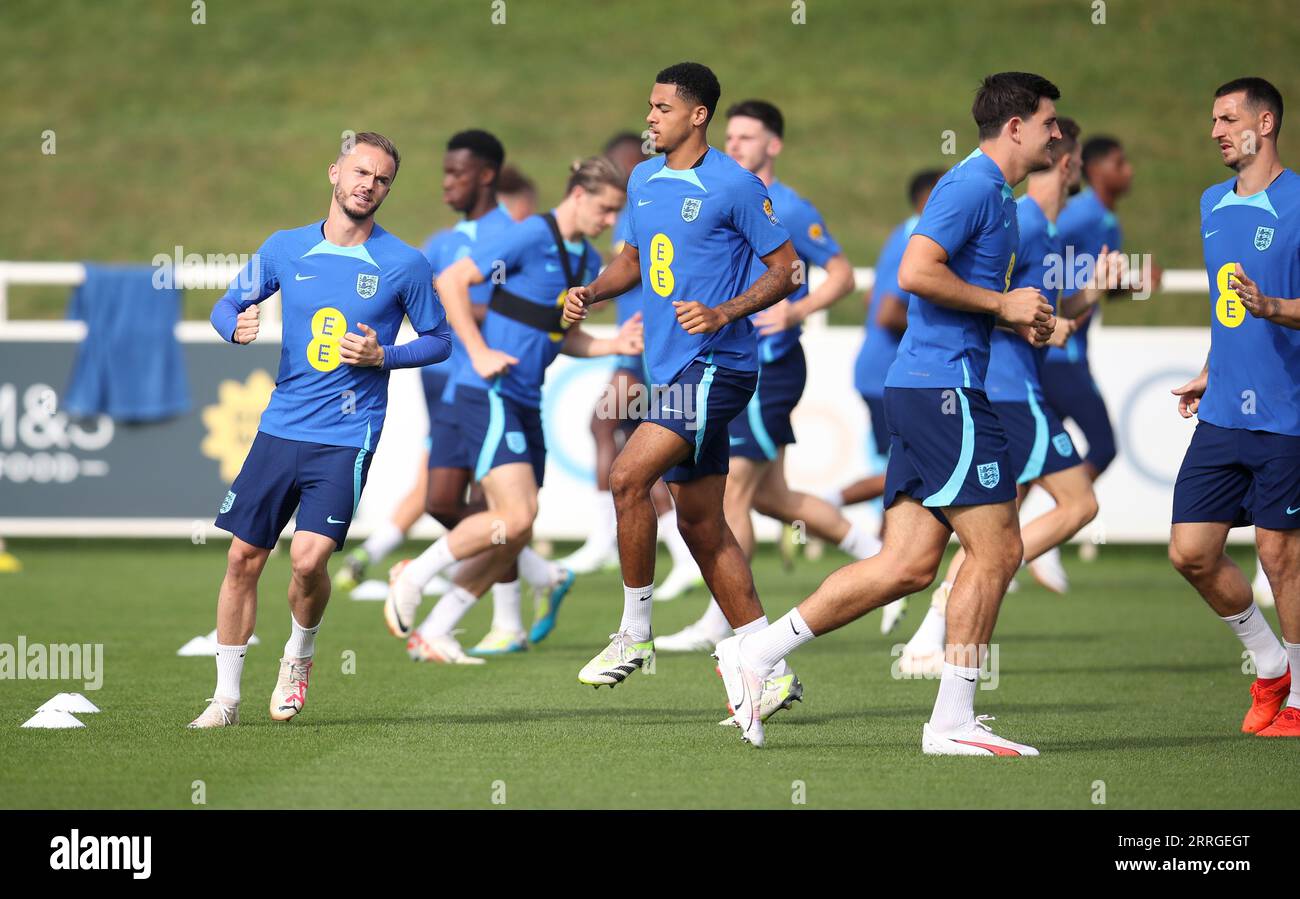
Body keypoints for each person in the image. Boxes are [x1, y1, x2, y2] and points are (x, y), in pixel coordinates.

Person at [712, 72, 1060, 753]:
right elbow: (914, 272)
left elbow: (948, 288)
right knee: (1000, 548)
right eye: (1050, 120)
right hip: (944, 392)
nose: (1056, 132)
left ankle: (753, 654)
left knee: (905, 564)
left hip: (927, 386)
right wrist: (1001, 305)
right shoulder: (972, 186)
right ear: (1015, 126)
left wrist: (1018, 317)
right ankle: (951, 722)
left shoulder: (994, 194)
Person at [189, 132, 452, 727]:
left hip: (347, 434)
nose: (369, 185)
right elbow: (225, 306)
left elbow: (440, 341)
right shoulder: (285, 248)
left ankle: (297, 661)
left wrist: (383, 357)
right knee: (241, 559)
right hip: (280, 426)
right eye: (361, 172)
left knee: (308, 561)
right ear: (335, 172)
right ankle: (225, 700)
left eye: (382, 179)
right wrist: (237, 326)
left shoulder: (404, 263)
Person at [561, 62, 799, 689]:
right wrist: (592, 290)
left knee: (627, 476)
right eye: (649, 105)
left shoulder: (735, 186)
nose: (650, 116)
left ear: (698, 115)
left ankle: (634, 635)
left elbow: (786, 271)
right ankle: (766, 663)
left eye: (662, 107)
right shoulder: (642, 178)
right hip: (669, 370)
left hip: (719, 366)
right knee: (700, 524)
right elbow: (632, 261)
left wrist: (725, 310)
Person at [386, 157, 642, 662]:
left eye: (617, 213)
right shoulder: (529, 235)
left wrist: (615, 342)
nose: (610, 221)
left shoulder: (588, 263)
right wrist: (479, 352)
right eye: (606, 209)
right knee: (516, 514)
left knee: (517, 527)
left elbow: (563, 338)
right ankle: (412, 575)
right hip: (491, 393)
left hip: (528, 398)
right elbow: (452, 282)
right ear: (578, 196)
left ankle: (437, 629)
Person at [655, 98, 879, 659]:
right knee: (774, 498)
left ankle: (722, 624)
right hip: (732, 358)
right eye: (731, 136)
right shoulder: (720, 191)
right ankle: (877, 554)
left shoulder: (790, 205)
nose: (735, 145)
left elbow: (844, 275)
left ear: (773, 145)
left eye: (748, 137)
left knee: (732, 496)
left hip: (767, 364)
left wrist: (796, 311)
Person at [897, 117, 1113, 674]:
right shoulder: (1019, 217)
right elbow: (979, 299)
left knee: (978, 532)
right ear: (1066, 162)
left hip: (997, 384)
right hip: (1008, 387)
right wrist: (1024, 319)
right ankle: (945, 639)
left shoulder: (1037, 224)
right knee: (1073, 506)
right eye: (1073, 156)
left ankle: (929, 637)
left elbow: (1042, 312)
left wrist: (1093, 291)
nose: (1075, 169)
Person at [1169, 76, 1300, 738]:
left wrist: (1276, 308)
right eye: (1212, 119)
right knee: (1190, 551)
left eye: (1226, 118)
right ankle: (1270, 662)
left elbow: (1265, 306)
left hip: (1287, 418)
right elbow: (1227, 310)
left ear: (1265, 122)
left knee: (1282, 560)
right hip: (1222, 412)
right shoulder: (1211, 203)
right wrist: (1208, 369)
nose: (1215, 130)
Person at [561, 133, 704, 601]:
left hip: (647, 346)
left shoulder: (647, 199)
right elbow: (631, 266)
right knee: (628, 446)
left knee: (612, 432)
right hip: (637, 341)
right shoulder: (640, 202)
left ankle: (612, 540)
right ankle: (674, 556)